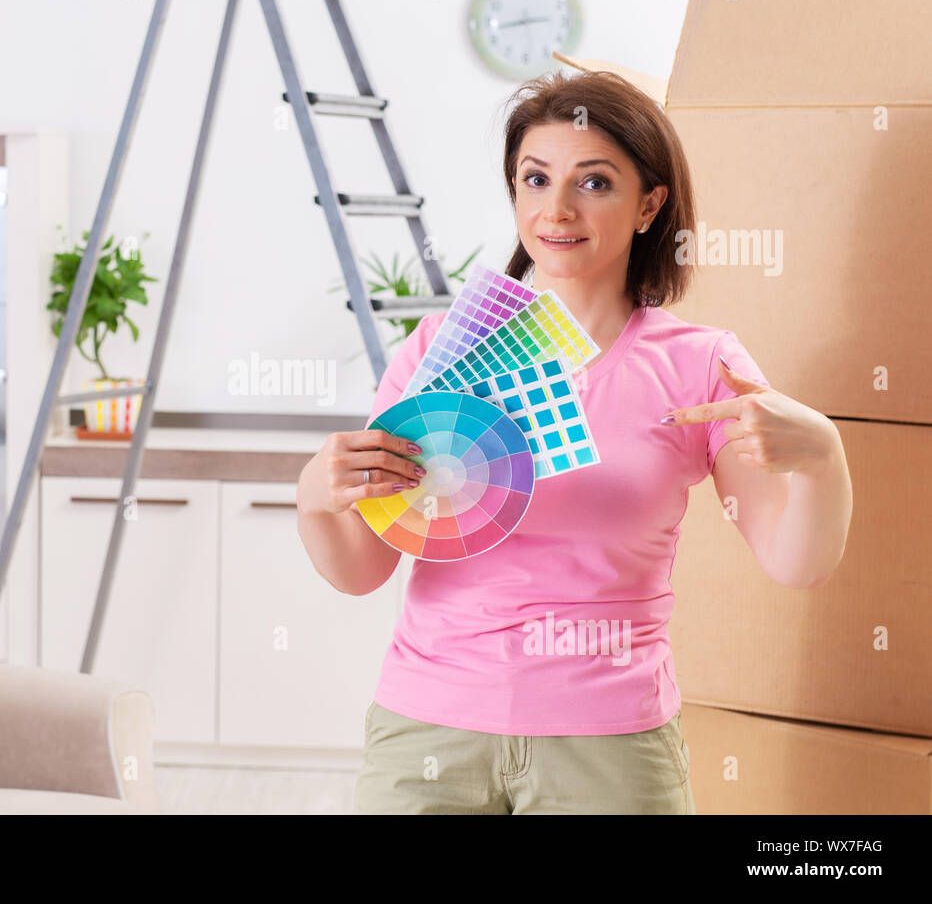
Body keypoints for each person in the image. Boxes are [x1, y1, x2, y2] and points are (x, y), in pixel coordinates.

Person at [295, 70, 853, 814]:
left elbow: (796, 563)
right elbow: (364, 569)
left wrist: (824, 457)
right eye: (535, 178)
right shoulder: (441, 347)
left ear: (650, 204)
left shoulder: (700, 364)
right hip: (429, 731)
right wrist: (313, 499)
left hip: (612, 747)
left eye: (594, 183)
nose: (556, 209)